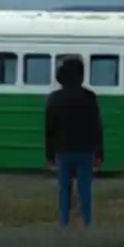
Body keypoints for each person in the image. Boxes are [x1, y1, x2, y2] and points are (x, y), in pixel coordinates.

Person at [44, 56, 103, 227]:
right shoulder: (89, 97)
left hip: (63, 150)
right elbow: (96, 127)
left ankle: (64, 222)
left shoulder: (55, 98)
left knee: (64, 190)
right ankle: (87, 222)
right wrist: (99, 153)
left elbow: (50, 129)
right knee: (85, 188)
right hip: (85, 150)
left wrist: (49, 154)